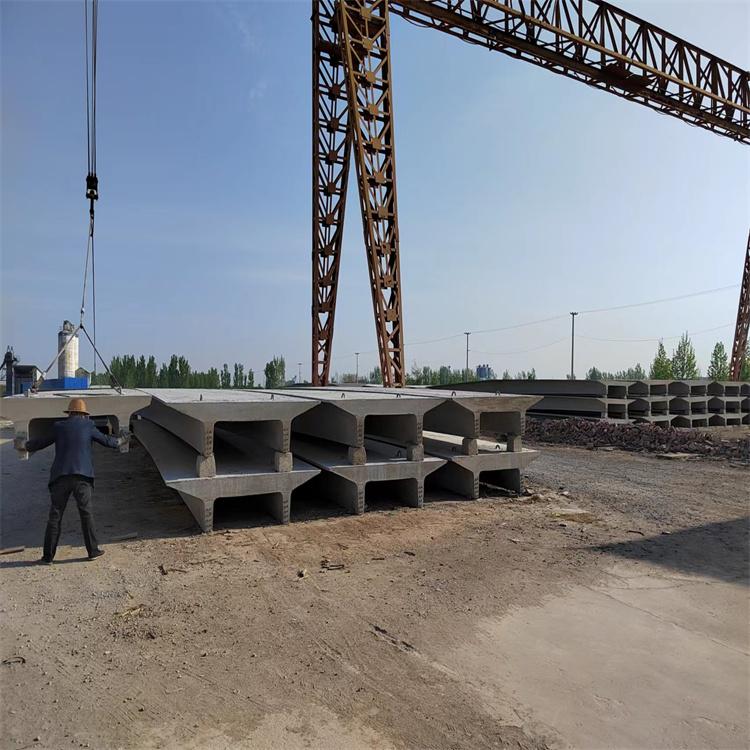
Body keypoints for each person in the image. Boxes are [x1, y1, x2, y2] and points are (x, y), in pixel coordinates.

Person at [16, 397, 129, 564]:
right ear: (84, 414)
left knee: (55, 516)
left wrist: (23, 445)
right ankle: (93, 551)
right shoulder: (89, 426)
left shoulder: (59, 427)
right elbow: (107, 441)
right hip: (82, 477)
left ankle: (48, 557)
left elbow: (40, 443)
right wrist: (122, 439)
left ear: (69, 413)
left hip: (60, 477)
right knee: (86, 513)